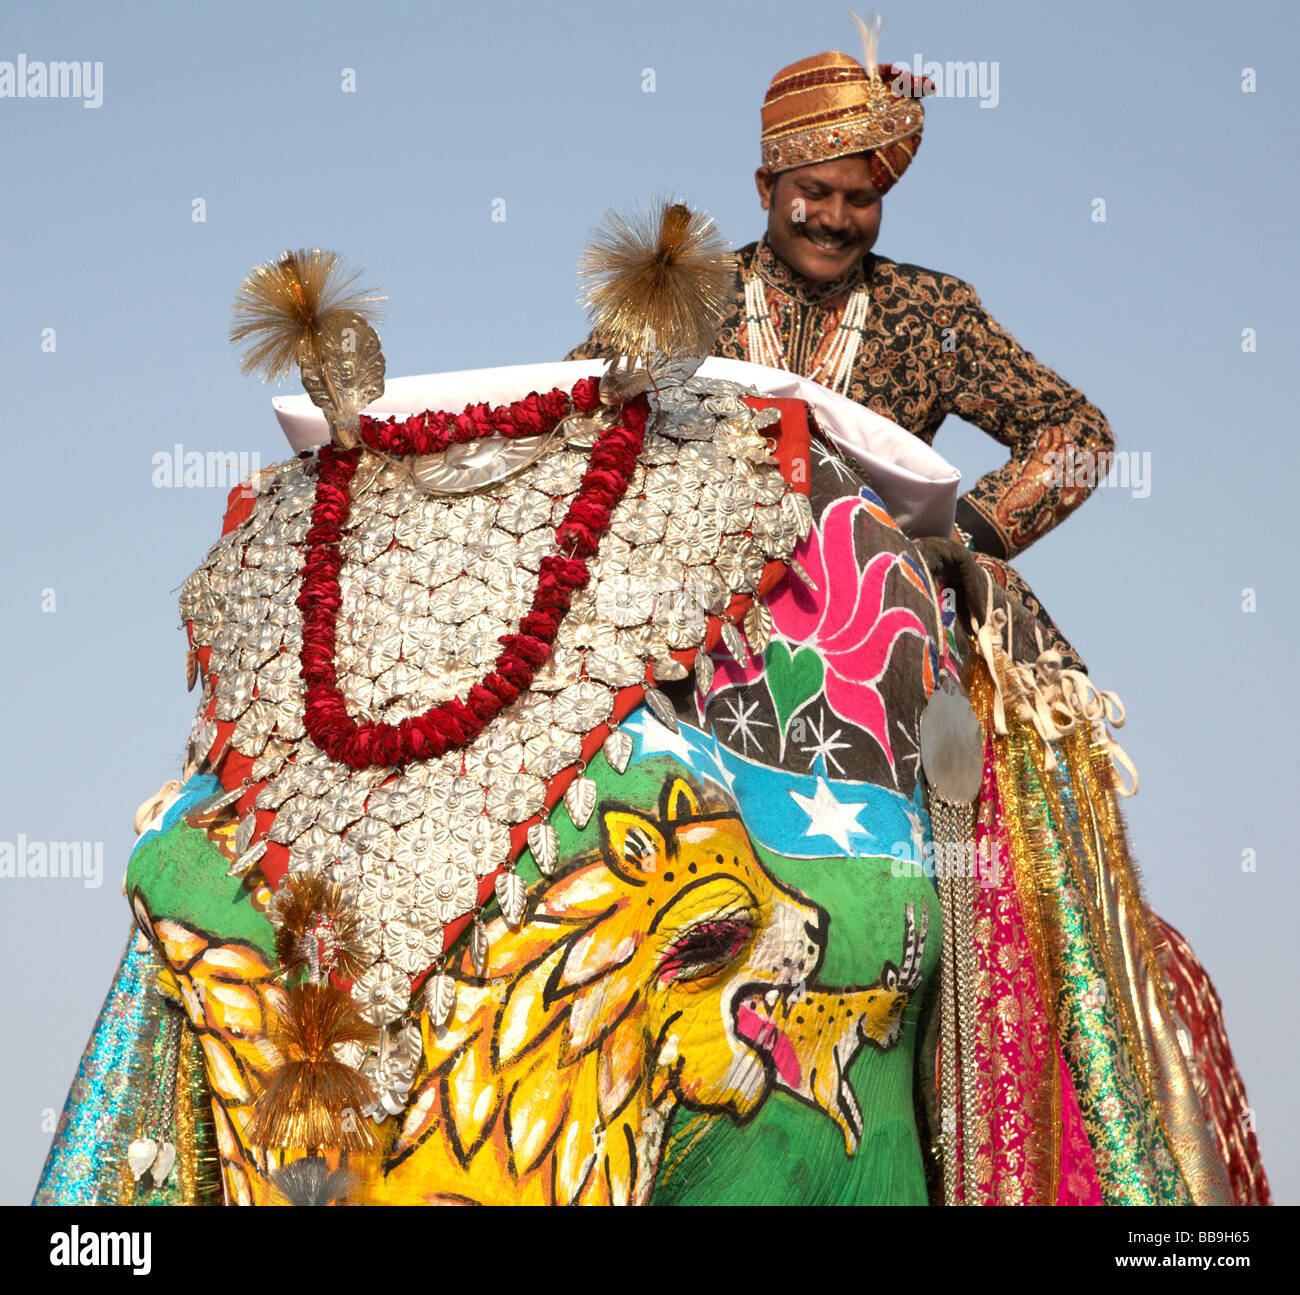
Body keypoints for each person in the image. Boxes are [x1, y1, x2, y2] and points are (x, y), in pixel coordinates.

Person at [567, 36, 1114, 562]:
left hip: (881, 597)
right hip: (688, 596)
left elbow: (1079, 436)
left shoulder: (931, 312)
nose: (834, 219)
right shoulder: (685, 294)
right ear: (766, 187)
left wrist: (959, 541)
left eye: (861, 199)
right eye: (813, 193)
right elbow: (564, 410)